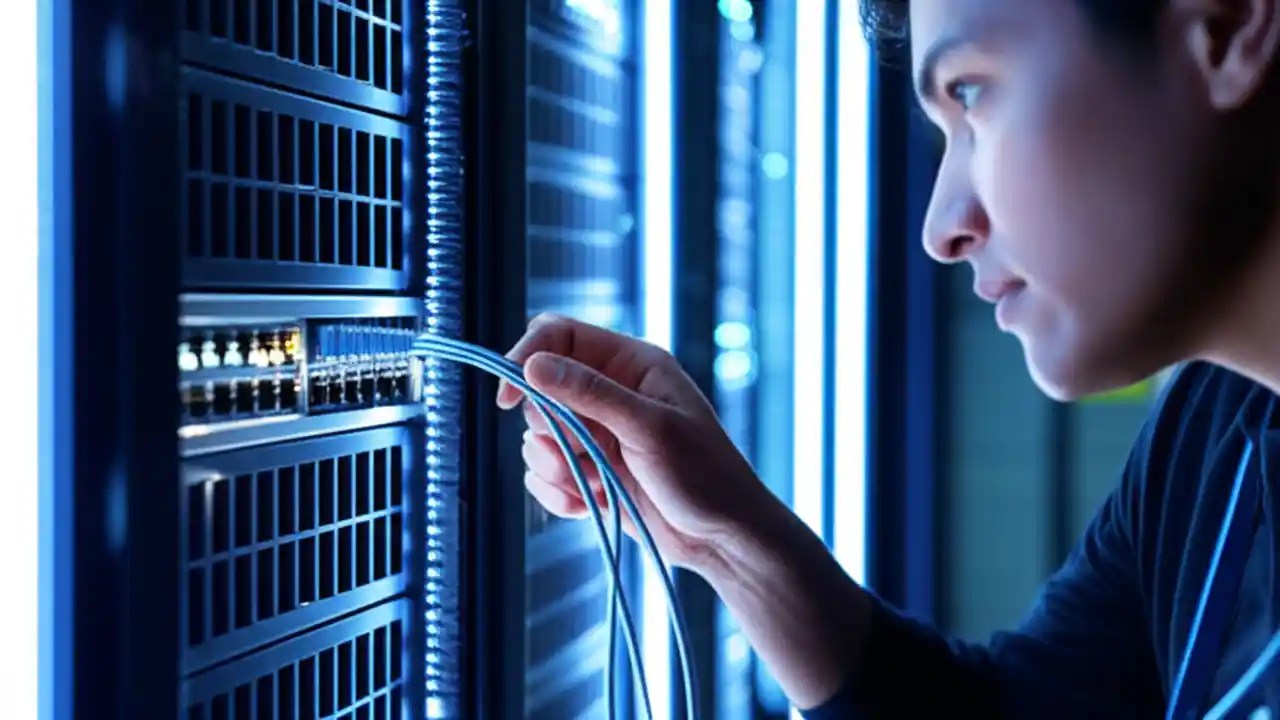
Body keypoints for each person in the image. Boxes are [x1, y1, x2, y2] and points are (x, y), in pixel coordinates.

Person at [497, 0, 1280, 716]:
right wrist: (728, 541)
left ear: (1227, 26)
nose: (942, 228)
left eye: (971, 93)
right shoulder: (1211, 432)